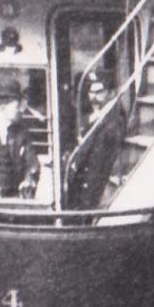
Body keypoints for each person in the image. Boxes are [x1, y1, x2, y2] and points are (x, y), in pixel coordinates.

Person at [68, 71, 125, 211]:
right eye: (91, 92)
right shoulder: (97, 115)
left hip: (96, 182)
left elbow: (102, 156)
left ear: (111, 93)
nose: (93, 97)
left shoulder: (114, 120)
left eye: (99, 92)